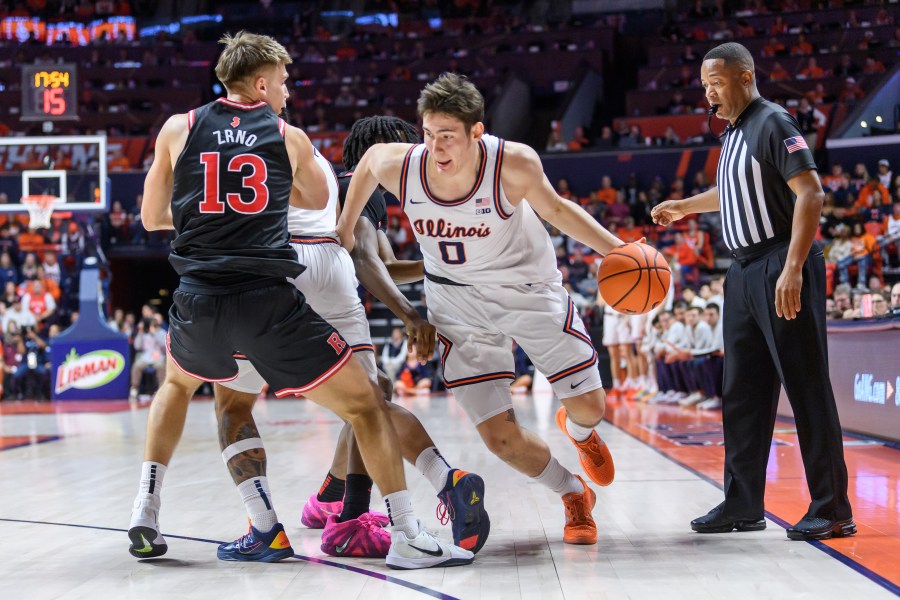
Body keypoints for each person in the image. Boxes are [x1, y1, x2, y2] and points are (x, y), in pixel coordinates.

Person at [128, 31, 473, 570]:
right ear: (261, 83)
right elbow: (319, 200)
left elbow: (152, 218)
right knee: (366, 404)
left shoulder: (179, 127)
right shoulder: (287, 135)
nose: (287, 91)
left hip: (200, 300)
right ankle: (404, 528)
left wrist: (209, 211)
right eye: (284, 82)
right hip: (271, 293)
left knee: (198, 393)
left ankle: (160, 510)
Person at [338, 72, 629, 545]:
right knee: (500, 439)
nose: (436, 146)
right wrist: (345, 225)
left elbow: (557, 210)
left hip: (527, 290)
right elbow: (368, 162)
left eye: (447, 136)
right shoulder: (403, 164)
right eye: (429, 134)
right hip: (456, 302)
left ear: (478, 132)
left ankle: (579, 432)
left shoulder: (512, 163)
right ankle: (574, 494)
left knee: (591, 408)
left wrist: (620, 248)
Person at [214, 114, 489, 558]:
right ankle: (371, 505)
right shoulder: (357, 183)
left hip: (295, 274)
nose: (415, 156)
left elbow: (382, 262)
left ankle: (332, 499)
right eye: (406, 145)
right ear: (379, 147)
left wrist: (448, 261)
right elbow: (360, 254)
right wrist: (409, 314)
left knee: (368, 396)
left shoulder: (358, 191)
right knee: (367, 402)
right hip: (307, 279)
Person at [651, 42, 855, 541]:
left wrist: (791, 269)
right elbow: (732, 192)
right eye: (704, 85)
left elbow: (811, 193)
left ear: (744, 77)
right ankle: (742, 504)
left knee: (806, 387)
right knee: (741, 392)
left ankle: (832, 508)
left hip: (780, 263)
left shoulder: (772, 122)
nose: (708, 93)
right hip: (743, 274)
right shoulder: (735, 133)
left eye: (715, 83)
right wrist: (684, 206)